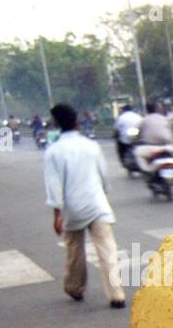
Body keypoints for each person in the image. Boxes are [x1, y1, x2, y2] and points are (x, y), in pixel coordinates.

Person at [42, 104, 125, 308]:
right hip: (97, 205)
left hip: (73, 208)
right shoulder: (91, 145)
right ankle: (117, 295)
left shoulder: (54, 151)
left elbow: (54, 187)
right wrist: (103, 192)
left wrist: (56, 215)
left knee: (75, 251)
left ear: (56, 124)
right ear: (77, 121)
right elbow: (104, 175)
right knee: (108, 250)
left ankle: (75, 288)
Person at [136, 101, 173, 172]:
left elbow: (136, 132)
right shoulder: (165, 119)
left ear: (146, 110)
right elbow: (171, 131)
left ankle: (147, 171)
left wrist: (134, 139)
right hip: (167, 147)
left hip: (150, 147)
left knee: (138, 153)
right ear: (157, 109)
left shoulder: (144, 120)